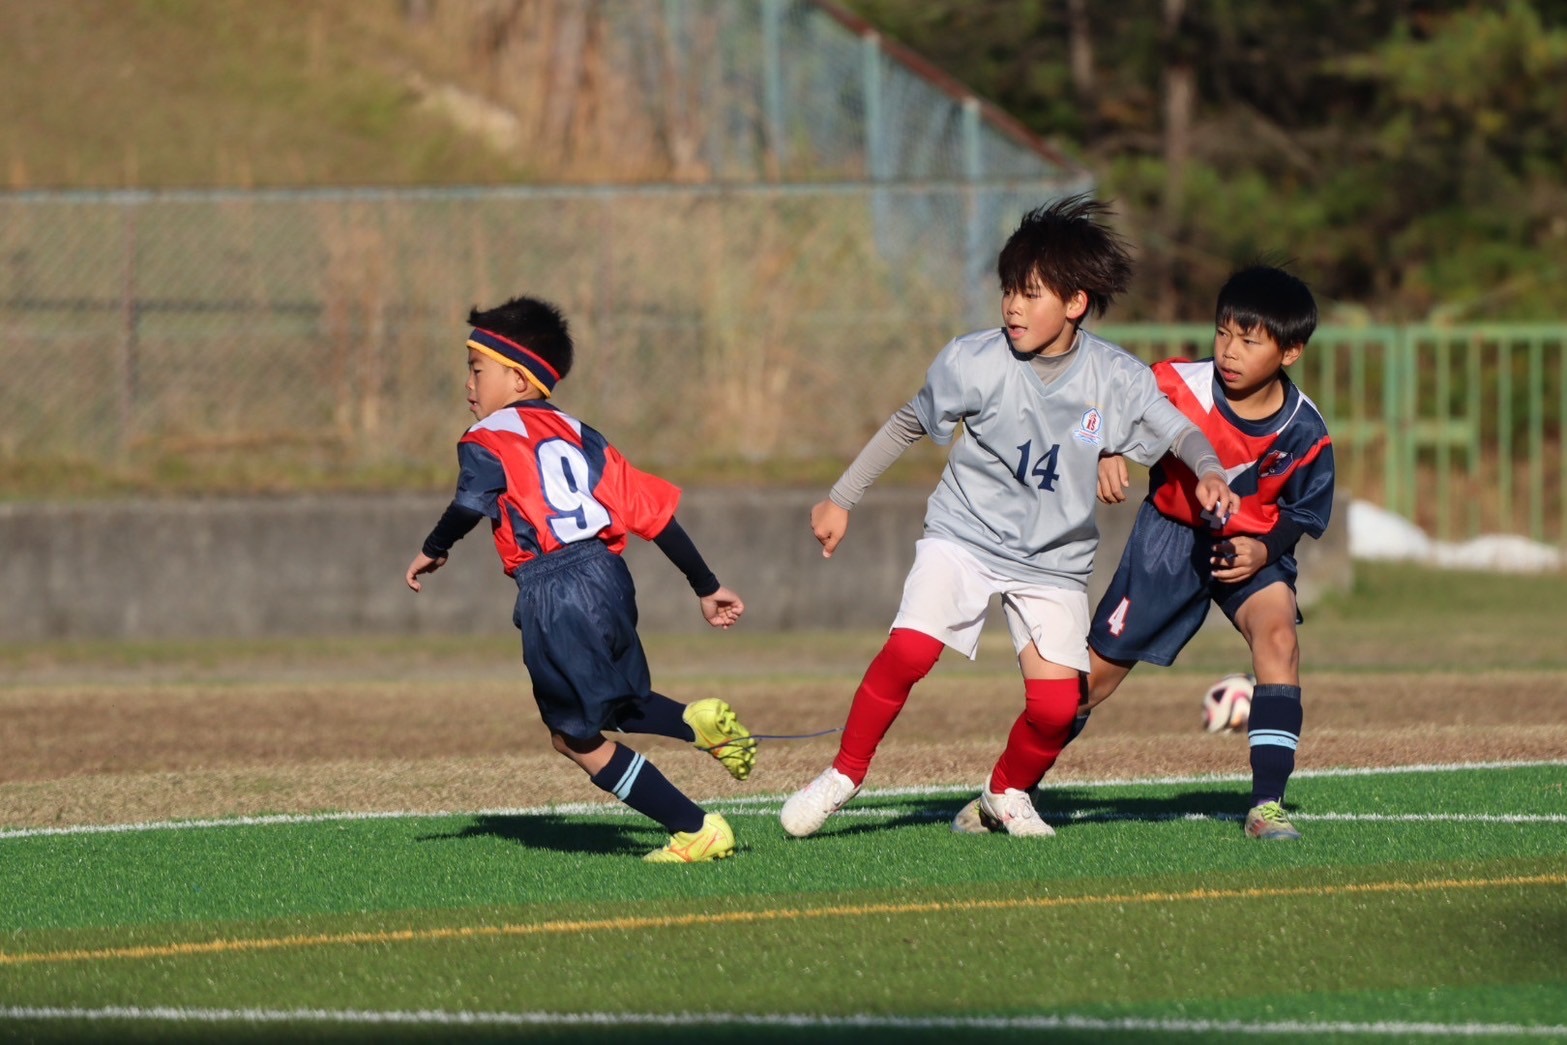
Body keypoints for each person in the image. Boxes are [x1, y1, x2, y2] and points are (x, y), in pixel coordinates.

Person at [779, 195, 1240, 839]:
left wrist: (1211, 469)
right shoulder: (973, 360)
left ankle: (1006, 791)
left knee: (1055, 710)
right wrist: (842, 496)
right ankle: (844, 775)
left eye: (1032, 293)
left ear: (1076, 303)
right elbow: (910, 421)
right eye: (1008, 291)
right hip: (963, 535)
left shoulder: (1116, 376)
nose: (1013, 307)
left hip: (1054, 560)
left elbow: (1181, 432)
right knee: (909, 651)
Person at [952, 263, 1333, 841]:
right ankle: (1007, 791)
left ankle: (1267, 807)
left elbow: (1306, 512)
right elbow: (1093, 408)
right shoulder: (1174, 383)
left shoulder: (1305, 432)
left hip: (1248, 551)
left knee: (1279, 639)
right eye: (1224, 333)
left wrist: (1265, 549)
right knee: (1088, 683)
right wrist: (1104, 449)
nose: (1229, 351)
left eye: (1249, 341)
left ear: (1290, 352)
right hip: (1169, 543)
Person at [404, 295, 756, 863]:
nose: (468, 385)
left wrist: (433, 548)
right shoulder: (584, 435)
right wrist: (706, 585)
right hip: (608, 575)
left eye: (476, 370)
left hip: (554, 586)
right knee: (608, 702)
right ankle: (696, 723)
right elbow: (655, 516)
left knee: (571, 735)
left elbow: (470, 501)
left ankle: (694, 827)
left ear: (518, 379)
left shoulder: (486, 436)